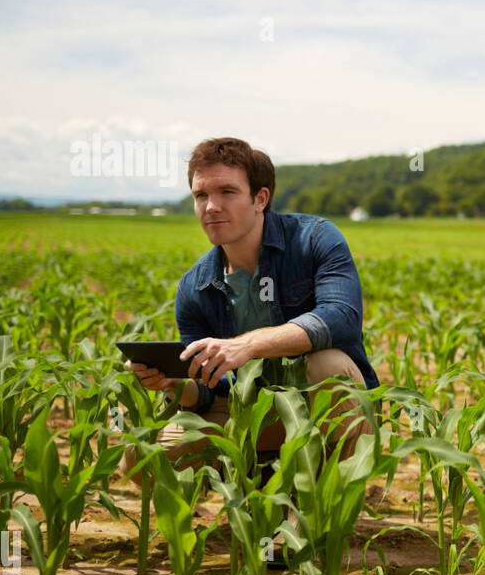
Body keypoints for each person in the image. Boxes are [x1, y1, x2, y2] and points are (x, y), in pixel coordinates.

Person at [119, 137, 380, 488]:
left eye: (227, 191)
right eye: (201, 195)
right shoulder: (194, 288)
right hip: (249, 411)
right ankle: (258, 483)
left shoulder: (316, 239)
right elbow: (210, 390)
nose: (211, 206)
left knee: (327, 366)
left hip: (317, 402)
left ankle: (325, 505)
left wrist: (249, 345)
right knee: (140, 458)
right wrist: (175, 385)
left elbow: (341, 316)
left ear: (260, 199)